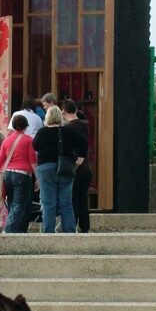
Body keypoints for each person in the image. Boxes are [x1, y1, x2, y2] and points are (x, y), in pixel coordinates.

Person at [32, 105, 87, 234]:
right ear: (60, 117)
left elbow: (35, 146)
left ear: (47, 117)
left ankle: (49, 232)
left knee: (48, 203)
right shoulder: (69, 131)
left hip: (46, 168)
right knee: (66, 203)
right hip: (66, 168)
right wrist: (80, 159)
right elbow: (83, 143)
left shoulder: (42, 132)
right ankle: (69, 232)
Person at [0, 114, 37, 233]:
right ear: (26, 126)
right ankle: (8, 230)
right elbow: (33, 161)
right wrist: (38, 178)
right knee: (19, 205)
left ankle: (18, 232)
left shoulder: (6, 140)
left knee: (11, 204)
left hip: (7, 174)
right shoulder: (29, 140)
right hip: (22, 175)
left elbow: (0, 160)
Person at [62, 99, 92, 233]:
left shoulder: (68, 128)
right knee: (83, 199)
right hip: (86, 168)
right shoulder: (84, 125)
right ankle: (84, 227)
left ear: (63, 112)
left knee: (73, 199)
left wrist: (76, 162)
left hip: (75, 168)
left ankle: (72, 226)